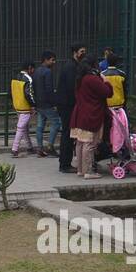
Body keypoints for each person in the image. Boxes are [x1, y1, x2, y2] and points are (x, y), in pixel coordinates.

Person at [72, 55, 113, 179]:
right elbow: (108, 92)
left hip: (80, 113)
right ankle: (89, 171)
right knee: (89, 143)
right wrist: (105, 81)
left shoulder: (80, 79)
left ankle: (80, 169)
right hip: (91, 114)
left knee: (80, 143)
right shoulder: (92, 79)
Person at [55, 44, 86, 174]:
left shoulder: (72, 66)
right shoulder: (71, 67)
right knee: (68, 134)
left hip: (66, 104)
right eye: (82, 51)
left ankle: (65, 162)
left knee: (68, 133)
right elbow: (71, 87)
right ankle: (65, 163)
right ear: (75, 52)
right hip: (67, 105)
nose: (83, 53)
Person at [33, 51, 60, 159]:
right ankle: (50, 146)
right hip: (47, 103)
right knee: (56, 123)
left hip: (39, 103)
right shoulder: (47, 72)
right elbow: (49, 89)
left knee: (40, 126)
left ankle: (40, 148)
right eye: (52, 60)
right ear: (46, 60)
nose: (54, 62)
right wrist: (53, 103)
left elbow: (34, 88)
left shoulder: (36, 71)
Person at [10, 60, 36, 158]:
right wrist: (33, 104)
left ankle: (29, 146)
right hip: (25, 106)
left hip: (17, 105)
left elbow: (10, 92)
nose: (33, 71)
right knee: (21, 128)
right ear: (29, 68)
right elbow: (29, 94)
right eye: (33, 69)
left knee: (23, 128)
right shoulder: (28, 79)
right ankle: (15, 149)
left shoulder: (15, 77)